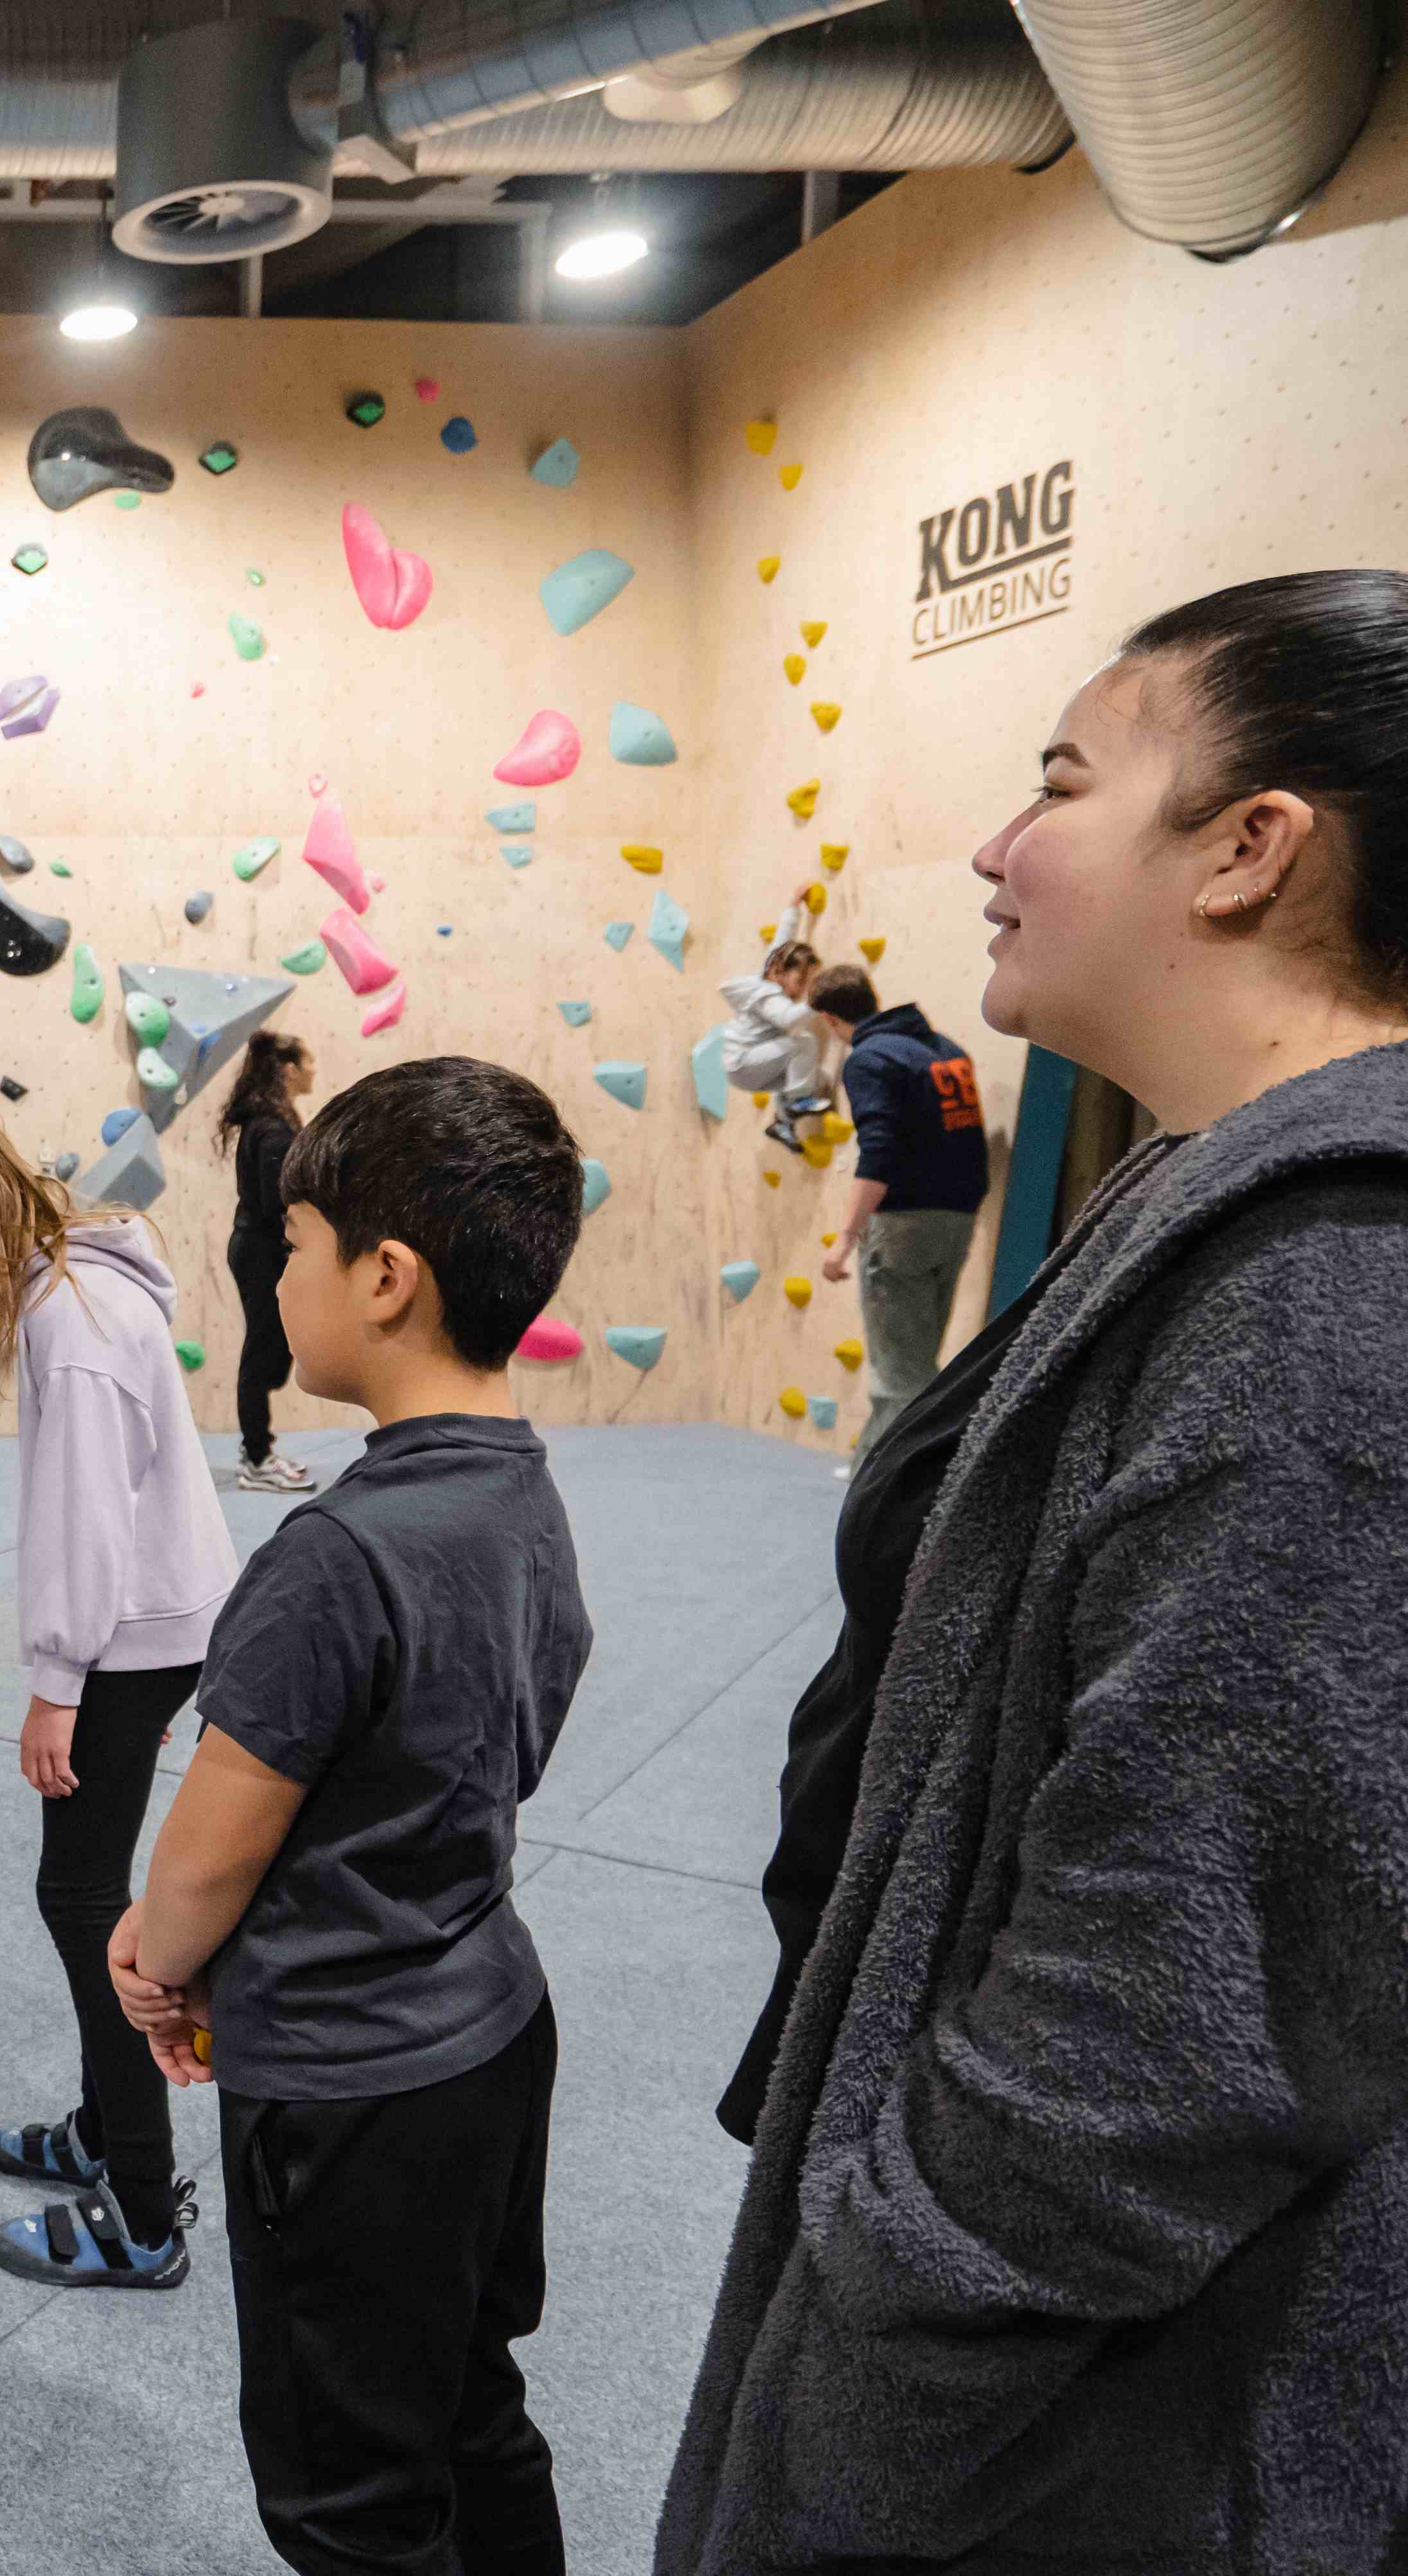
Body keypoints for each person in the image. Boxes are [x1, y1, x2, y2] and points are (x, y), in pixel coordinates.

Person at [664, 572, 1408, 2571]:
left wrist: (884, 2340)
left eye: (1061, 783)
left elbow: (1178, 2022)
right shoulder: (1201, 1199)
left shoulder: (1330, 1290)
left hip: (1070, 2439)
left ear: (1248, 848)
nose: (994, 846)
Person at [109, 1056, 592, 2576]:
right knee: (470, 2404)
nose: (274, 1272)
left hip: (349, 2086)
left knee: (348, 2499)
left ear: (385, 1278)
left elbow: (211, 1849)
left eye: (294, 1243)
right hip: (492, 2032)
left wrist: (151, 1958)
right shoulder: (522, 1493)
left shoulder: (335, 1555)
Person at [0, 1107, 239, 2289]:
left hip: (128, 1634)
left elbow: (87, 1520)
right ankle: (100, 2129)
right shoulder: (74, 1286)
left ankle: (141, 2211)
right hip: (159, 1617)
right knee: (83, 1888)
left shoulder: (70, 1320)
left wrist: (54, 1685)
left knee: (80, 1898)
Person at [802, 961, 988, 1458]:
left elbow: (879, 1151)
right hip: (957, 1217)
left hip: (904, 1224)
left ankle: (899, 1482)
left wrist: (845, 1237)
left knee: (899, 1375)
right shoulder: (946, 1051)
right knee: (917, 1360)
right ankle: (880, 1466)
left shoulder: (870, 1059)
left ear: (830, 1019)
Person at [214, 1030, 318, 1493]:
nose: (314, 1070)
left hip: (263, 1250)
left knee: (273, 1351)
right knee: (261, 1353)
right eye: (308, 1062)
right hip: (261, 1253)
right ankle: (257, 1459)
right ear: (289, 1070)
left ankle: (256, 1450)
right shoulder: (273, 1129)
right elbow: (279, 1203)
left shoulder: (272, 1121)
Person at [704, 932, 836, 1150]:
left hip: (746, 1068)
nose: (803, 989)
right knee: (803, 1043)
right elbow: (787, 1019)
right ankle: (796, 1102)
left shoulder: (773, 982)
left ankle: (782, 1124)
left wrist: (793, 911)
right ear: (778, 971)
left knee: (815, 1078)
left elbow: (783, 936)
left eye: (808, 984)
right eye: (801, 981)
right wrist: (816, 1002)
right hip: (743, 1061)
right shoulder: (768, 994)